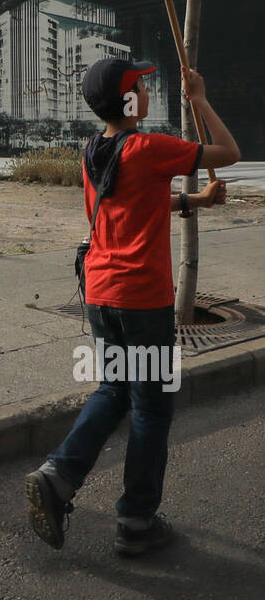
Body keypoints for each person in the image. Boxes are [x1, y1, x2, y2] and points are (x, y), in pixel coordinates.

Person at [26, 58, 239, 557]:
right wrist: (200, 100)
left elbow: (133, 204)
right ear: (127, 100)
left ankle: (57, 476)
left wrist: (196, 203)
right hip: (142, 299)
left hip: (101, 293)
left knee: (116, 388)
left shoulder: (93, 151)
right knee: (150, 407)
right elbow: (230, 152)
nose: (146, 91)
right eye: (140, 86)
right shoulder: (149, 147)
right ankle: (137, 521)